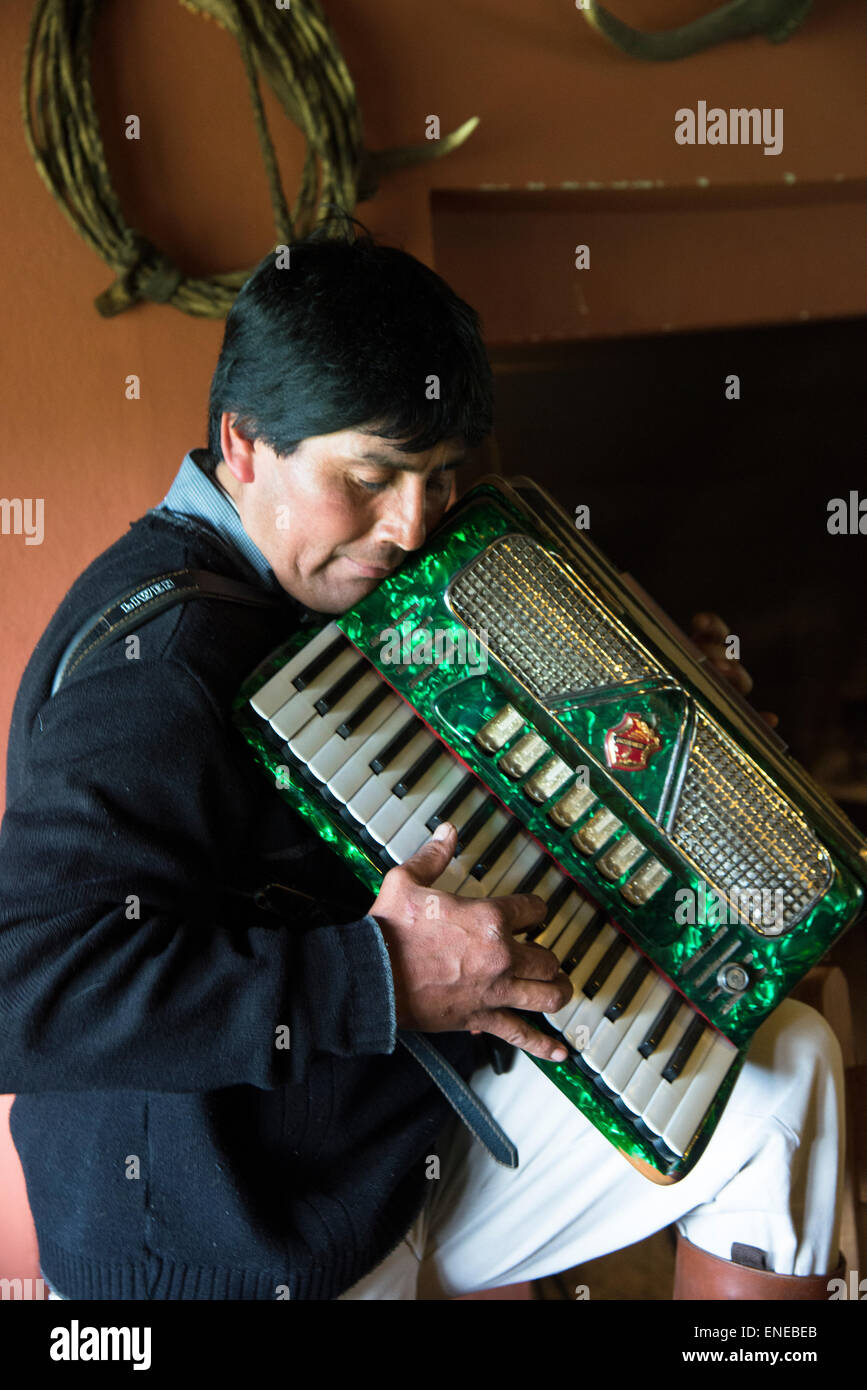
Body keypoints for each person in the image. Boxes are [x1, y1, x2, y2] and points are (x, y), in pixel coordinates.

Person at [0, 224, 844, 1301]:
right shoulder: (160, 667)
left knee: (781, 1074)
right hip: (225, 1249)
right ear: (246, 444)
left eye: (440, 478)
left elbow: (491, 769)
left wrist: (686, 751)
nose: (409, 524)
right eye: (371, 475)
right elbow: (24, 991)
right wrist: (383, 977)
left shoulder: (331, 582)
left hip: (381, 1142)